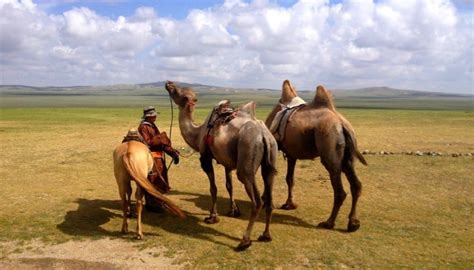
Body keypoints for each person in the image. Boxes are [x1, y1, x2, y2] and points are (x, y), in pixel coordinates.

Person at [138, 106, 180, 212]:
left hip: (158, 157)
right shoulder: (143, 127)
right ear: (149, 117)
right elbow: (148, 143)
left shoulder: (152, 125)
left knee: (160, 180)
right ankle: (152, 204)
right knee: (153, 180)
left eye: (155, 115)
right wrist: (161, 138)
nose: (155, 116)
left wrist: (172, 152)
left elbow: (161, 144)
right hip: (150, 157)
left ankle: (159, 202)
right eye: (153, 115)